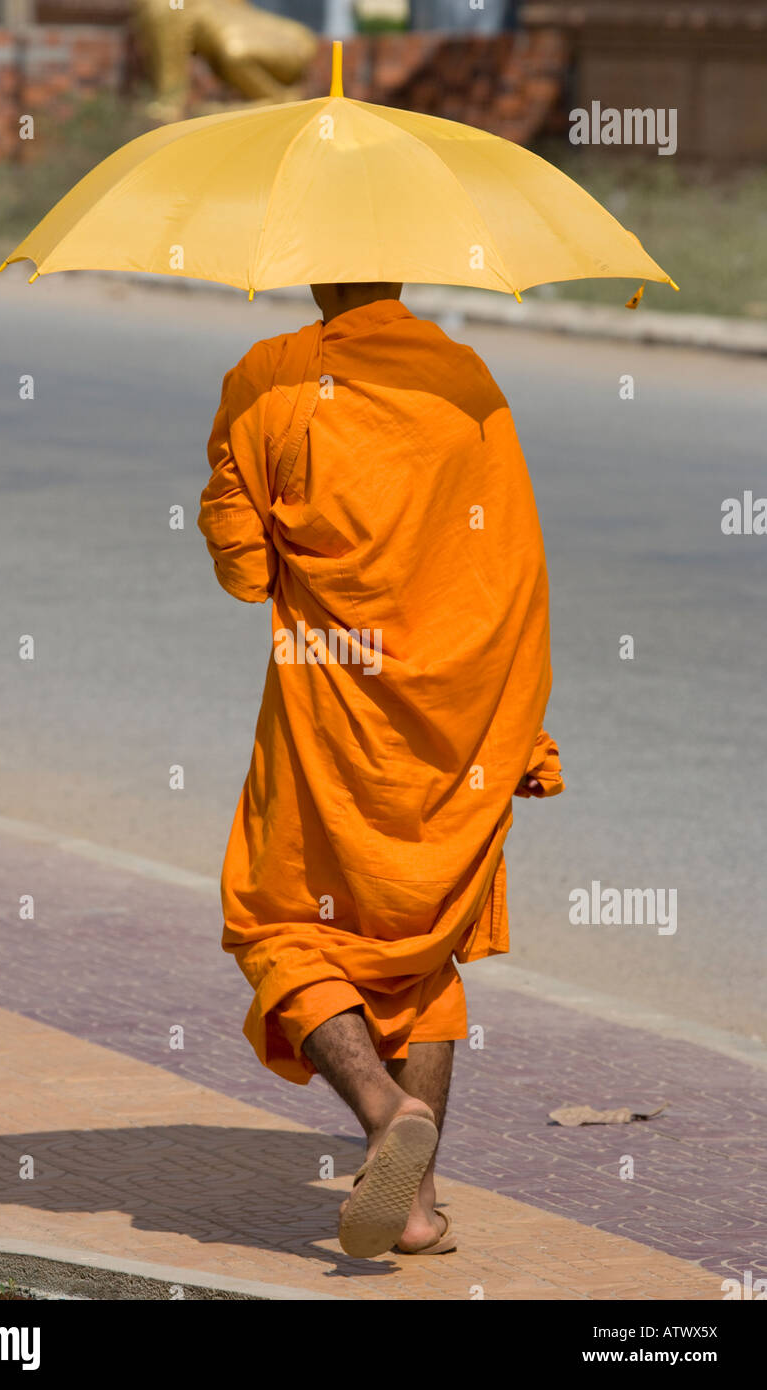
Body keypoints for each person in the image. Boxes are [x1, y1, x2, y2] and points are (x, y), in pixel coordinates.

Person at [198, 281, 564, 1258]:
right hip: (455, 735)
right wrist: (516, 733)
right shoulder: (463, 381)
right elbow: (510, 572)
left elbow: (241, 570)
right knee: (420, 946)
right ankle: (413, 1200)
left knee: (276, 924)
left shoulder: (269, 376)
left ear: (312, 269)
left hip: (326, 722)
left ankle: (378, 1104)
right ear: (402, 266)